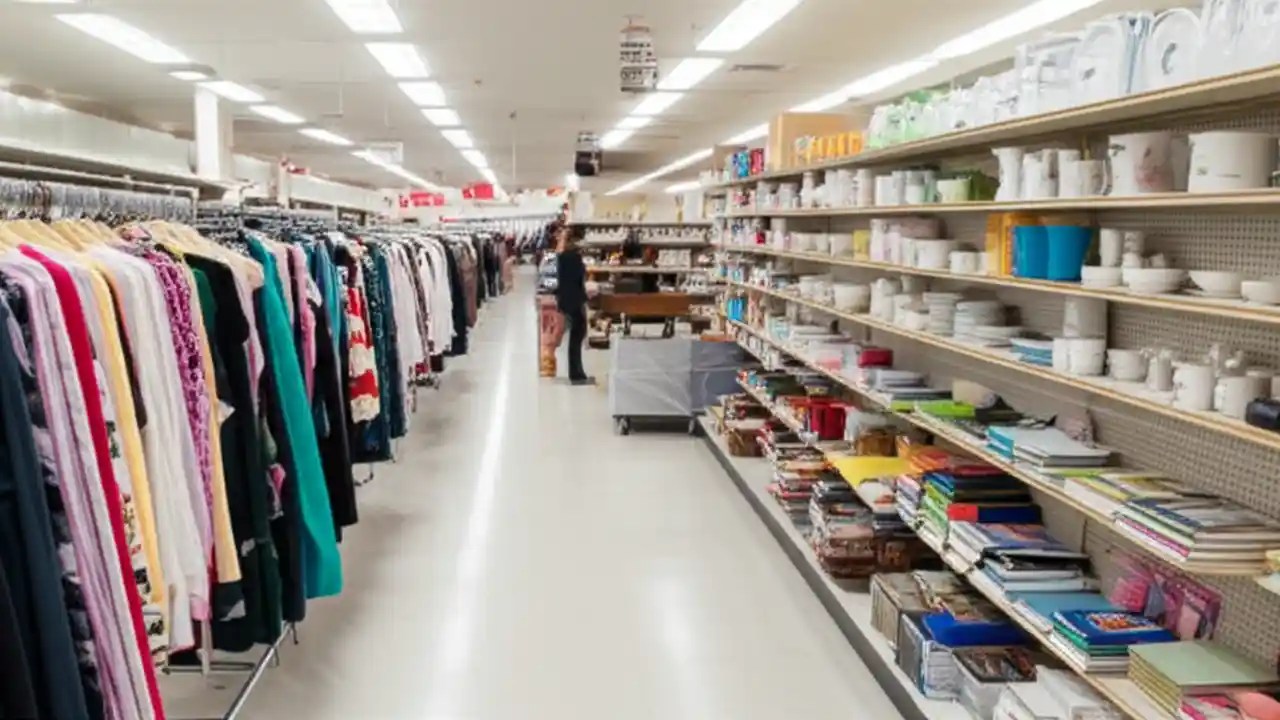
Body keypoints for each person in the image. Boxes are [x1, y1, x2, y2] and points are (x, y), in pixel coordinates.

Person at [554, 224, 593, 385]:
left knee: (575, 336)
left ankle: (577, 372)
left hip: (566, 299)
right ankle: (576, 373)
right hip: (574, 299)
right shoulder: (574, 257)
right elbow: (578, 279)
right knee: (577, 335)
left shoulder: (561, 256)